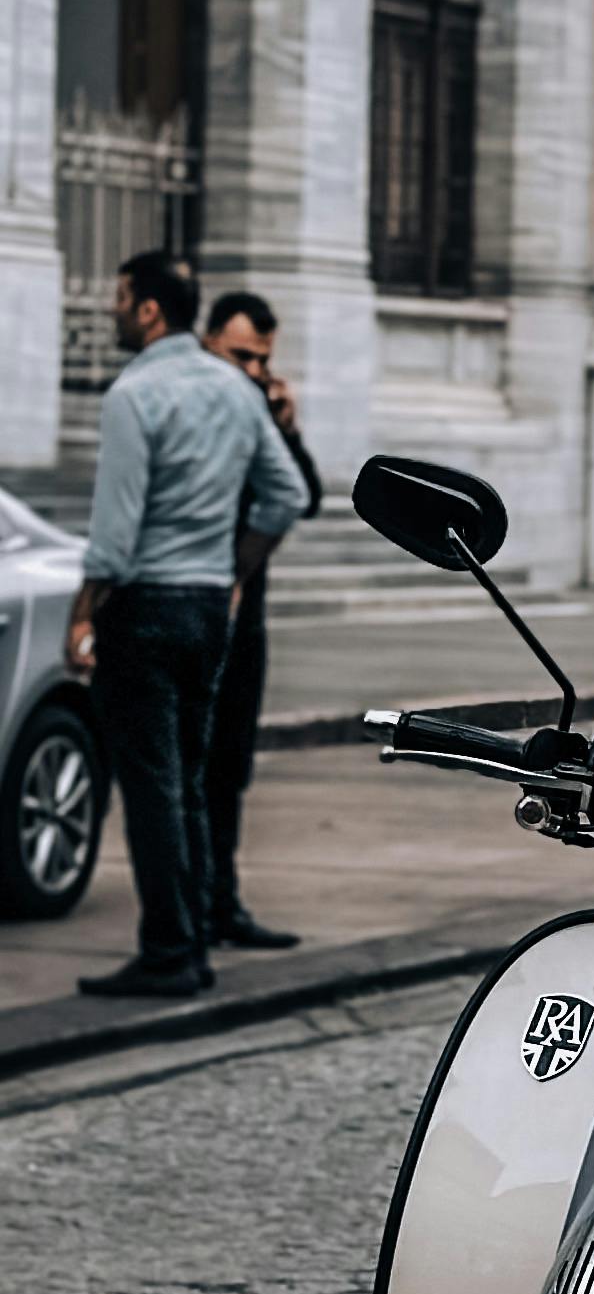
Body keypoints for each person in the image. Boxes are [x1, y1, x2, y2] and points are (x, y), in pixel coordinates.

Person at [66, 250, 309, 998]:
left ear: (146, 309)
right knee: (193, 780)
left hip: (146, 607)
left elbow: (113, 537)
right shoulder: (236, 391)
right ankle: (195, 933)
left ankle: (171, 950)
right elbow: (287, 494)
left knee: (153, 786)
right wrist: (234, 571)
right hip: (208, 608)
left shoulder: (135, 392)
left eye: (119, 296)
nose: (111, 309)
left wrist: (82, 616)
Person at [198, 289, 323, 950]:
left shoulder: (257, 408)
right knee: (190, 764)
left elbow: (304, 499)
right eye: (240, 354)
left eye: (262, 360)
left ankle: (222, 903)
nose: (251, 370)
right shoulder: (192, 401)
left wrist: (287, 424)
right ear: (208, 339)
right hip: (192, 605)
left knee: (230, 764)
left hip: (244, 618)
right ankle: (190, 908)